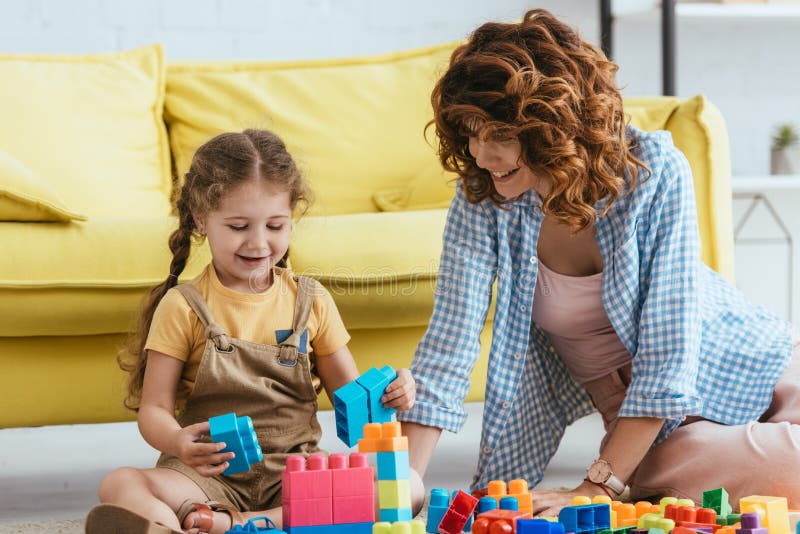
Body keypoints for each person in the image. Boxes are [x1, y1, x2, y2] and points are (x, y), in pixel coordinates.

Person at [398, 9, 799, 516]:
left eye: (496, 133)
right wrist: (405, 478)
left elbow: (668, 357)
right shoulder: (484, 200)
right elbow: (449, 343)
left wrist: (596, 488)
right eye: (470, 133)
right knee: (663, 474)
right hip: (656, 427)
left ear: (548, 123)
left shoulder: (653, 172)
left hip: (755, 361)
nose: (480, 155)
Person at [86, 129, 422, 534]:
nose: (259, 243)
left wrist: (392, 391)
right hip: (206, 477)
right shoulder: (183, 306)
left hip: (296, 477)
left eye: (275, 225)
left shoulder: (311, 301)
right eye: (239, 226)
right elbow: (153, 410)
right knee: (120, 482)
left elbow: (353, 399)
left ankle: (241, 524)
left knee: (409, 485)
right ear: (201, 219)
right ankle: (178, 523)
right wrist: (178, 444)